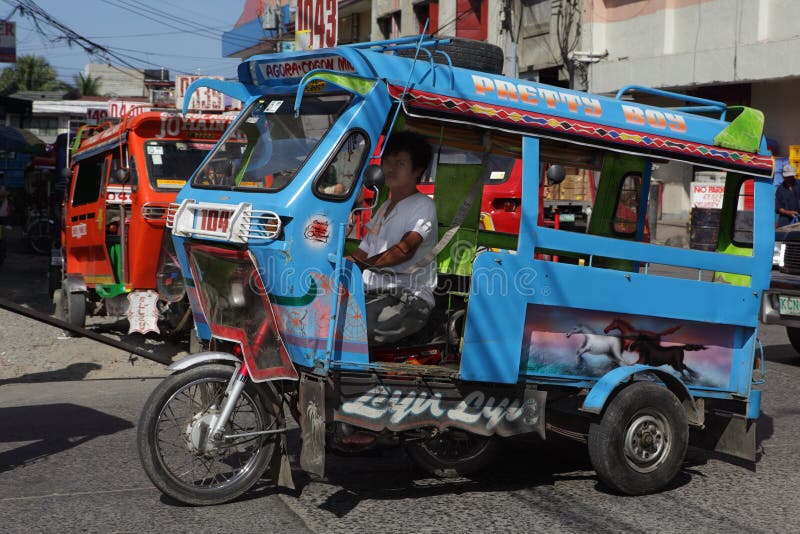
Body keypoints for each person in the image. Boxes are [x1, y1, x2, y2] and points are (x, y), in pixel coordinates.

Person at [349, 131, 437, 346]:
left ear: (417, 170)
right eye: (387, 161)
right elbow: (361, 253)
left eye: (400, 163)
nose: (390, 168)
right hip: (373, 293)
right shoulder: (384, 208)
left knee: (350, 330)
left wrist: (363, 265)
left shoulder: (423, 206)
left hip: (407, 298)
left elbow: (404, 250)